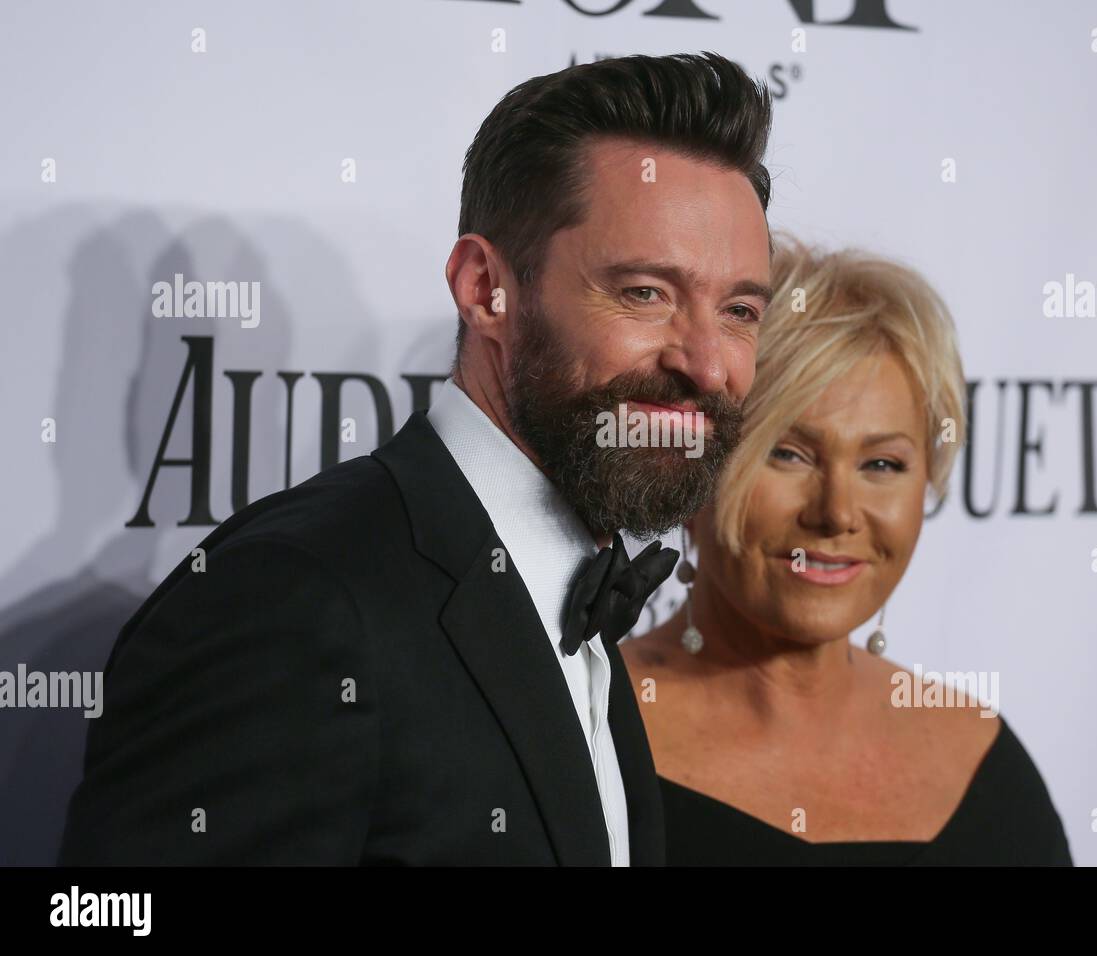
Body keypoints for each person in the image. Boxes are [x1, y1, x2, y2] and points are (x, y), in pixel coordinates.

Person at [59, 51, 775, 866]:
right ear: (484, 289)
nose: (709, 363)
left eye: (740, 310)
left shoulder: (578, 600)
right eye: (646, 293)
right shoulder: (292, 603)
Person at [625, 237, 1072, 865]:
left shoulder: (985, 765)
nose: (835, 513)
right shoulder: (585, 734)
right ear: (693, 468)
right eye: (787, 453)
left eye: (882, 463)